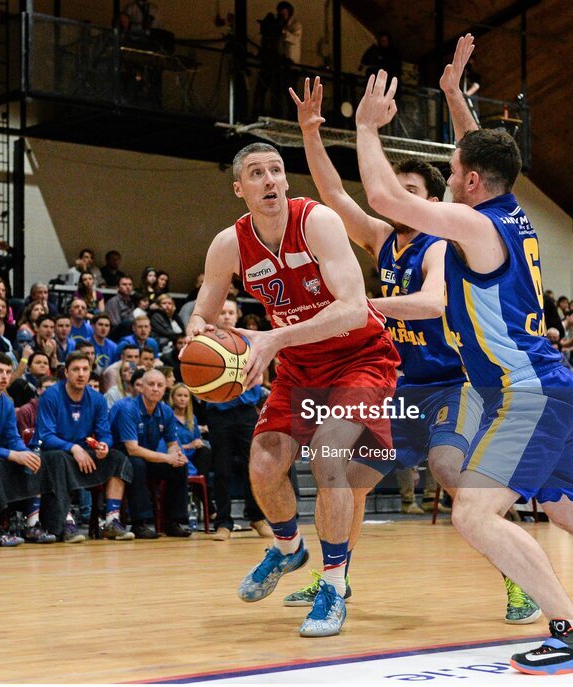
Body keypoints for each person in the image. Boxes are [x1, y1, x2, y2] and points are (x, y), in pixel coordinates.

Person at [353, 36, 573, 672]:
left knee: (475, 514)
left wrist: (367, 130)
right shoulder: (509, 211)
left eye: (453, 174)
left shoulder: (476, 225)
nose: (448, 179)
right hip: (551, 383)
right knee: (571, 509)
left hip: (525, 392)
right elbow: (478, 154)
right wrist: (455, 98)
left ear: (472, 183)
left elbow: (386, 201)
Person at [286, 76, 536, 622]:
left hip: (451, 385)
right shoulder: (382, 239)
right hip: (401, 392)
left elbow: (427, 304)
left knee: (451, 473)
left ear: (427, 202)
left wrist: (365, 305)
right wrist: (310, 131)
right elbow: (333, 196)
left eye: (414, 192)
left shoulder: (440, 246)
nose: (403, 199)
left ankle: (521, 582)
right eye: (399, 190)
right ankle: (335, 580)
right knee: (351, 480)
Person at [184, 140, 400, 638]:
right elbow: (203, 311)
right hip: (300, 368)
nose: (270, 181)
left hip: (359, 359)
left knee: (329, 458)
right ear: (240, 189)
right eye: (256, 174)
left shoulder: (318, 221)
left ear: (286, 180)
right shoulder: (229, 244)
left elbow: (351, 307)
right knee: (262, 463)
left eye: (276, 171)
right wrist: (198, 335)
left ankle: (332, 583)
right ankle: (287, 548)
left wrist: (273, 339)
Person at [0, 353, 60, 545]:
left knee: (35, 457)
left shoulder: (6, 401)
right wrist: (14, 454)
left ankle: (32, 523)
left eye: (8, 372)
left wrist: (25, 453)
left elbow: (12, 437)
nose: (5, 376)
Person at [36, 352, 135, 542]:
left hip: (85, 455)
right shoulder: (51, 396)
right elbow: (46, 437)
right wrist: (74, 448)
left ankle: (111, 522)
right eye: (75, 369)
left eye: (85, 369)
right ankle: (66, 522)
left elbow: (104, 432)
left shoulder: (97, 399)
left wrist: (104, 445)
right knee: (59, 459)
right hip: (57, 453)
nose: (81, 374)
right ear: (66, 372)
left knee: (117, 458)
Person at [202, 299, 269, 542]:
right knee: (222, 469)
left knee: (255, 466)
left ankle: (257, 516)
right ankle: (224, 523)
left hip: (245, 412)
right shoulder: (207, 341)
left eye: (231, 312)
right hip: (218, 412)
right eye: (223, 312)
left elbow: (259, 378)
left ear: (237, 315)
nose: (227, 316)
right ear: (216, 316)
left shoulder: (247, 341)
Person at [111, 369, 190, 539]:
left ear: (164, 389)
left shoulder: (166, 411)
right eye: (151, 384)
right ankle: (140, 523)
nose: (155, 388)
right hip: (123, 456)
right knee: (137, 465)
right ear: (142, 387)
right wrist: (167, 457)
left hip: (149, 456)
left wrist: (176, 455)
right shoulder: (129, 408)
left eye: (160, 385)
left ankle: (172, 522)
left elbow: (172, 444)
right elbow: (132, 449)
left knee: (179, 467)